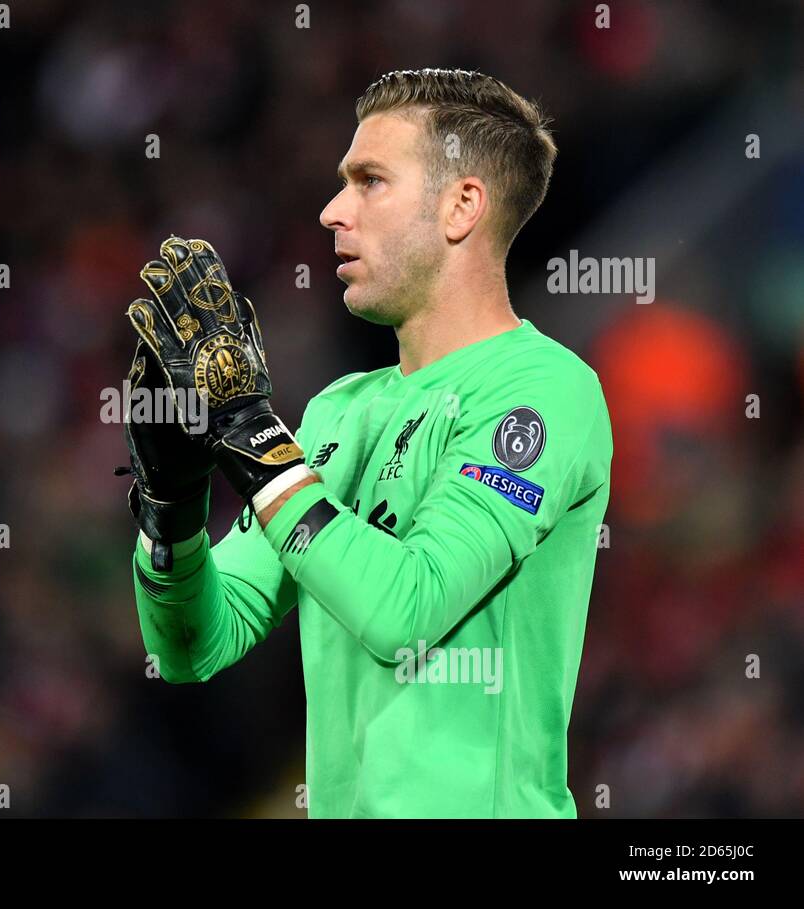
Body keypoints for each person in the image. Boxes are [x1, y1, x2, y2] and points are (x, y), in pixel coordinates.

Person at [119, 69, 613, 818]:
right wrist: (172, 510)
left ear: (461, 205)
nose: (331, 211)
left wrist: (252, 436)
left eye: (369, 181)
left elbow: (405, 610)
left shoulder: (544, 390)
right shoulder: (336, 414)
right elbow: (192, 647)